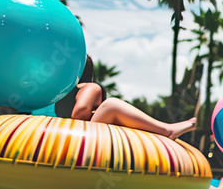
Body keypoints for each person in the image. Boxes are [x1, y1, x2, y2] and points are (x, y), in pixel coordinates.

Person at [52, 56, 196, 140]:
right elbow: (80, 113)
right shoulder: (90, 87)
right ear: (90, 74)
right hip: (82, 137)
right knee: (110, 106)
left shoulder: (59, 94)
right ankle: (166, 130)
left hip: (64, 136)